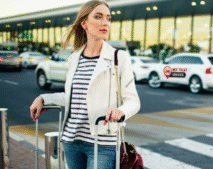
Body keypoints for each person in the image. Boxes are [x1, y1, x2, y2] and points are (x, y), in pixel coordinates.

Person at [29, 1, 140, 168]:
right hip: (71, 140)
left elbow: (133, 101)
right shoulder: (75, 58)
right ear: (84, 23)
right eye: (98, 17)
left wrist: (120, 111)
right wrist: (43, 98)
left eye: (108, 18)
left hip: (103, 143)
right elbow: (72, 97)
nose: (105, 23)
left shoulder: (119, 57)